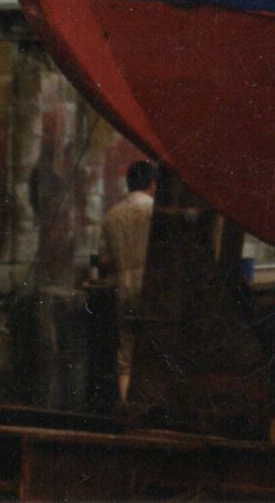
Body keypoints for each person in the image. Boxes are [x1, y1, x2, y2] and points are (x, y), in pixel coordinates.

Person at [98, 160, 157, 400]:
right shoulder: (156, 212)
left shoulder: (112, 216)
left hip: (125, 290)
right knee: (157, 351)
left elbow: (104, 262)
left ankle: (127, 408)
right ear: (153, 184)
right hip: (154, 289)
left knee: (127, 354)